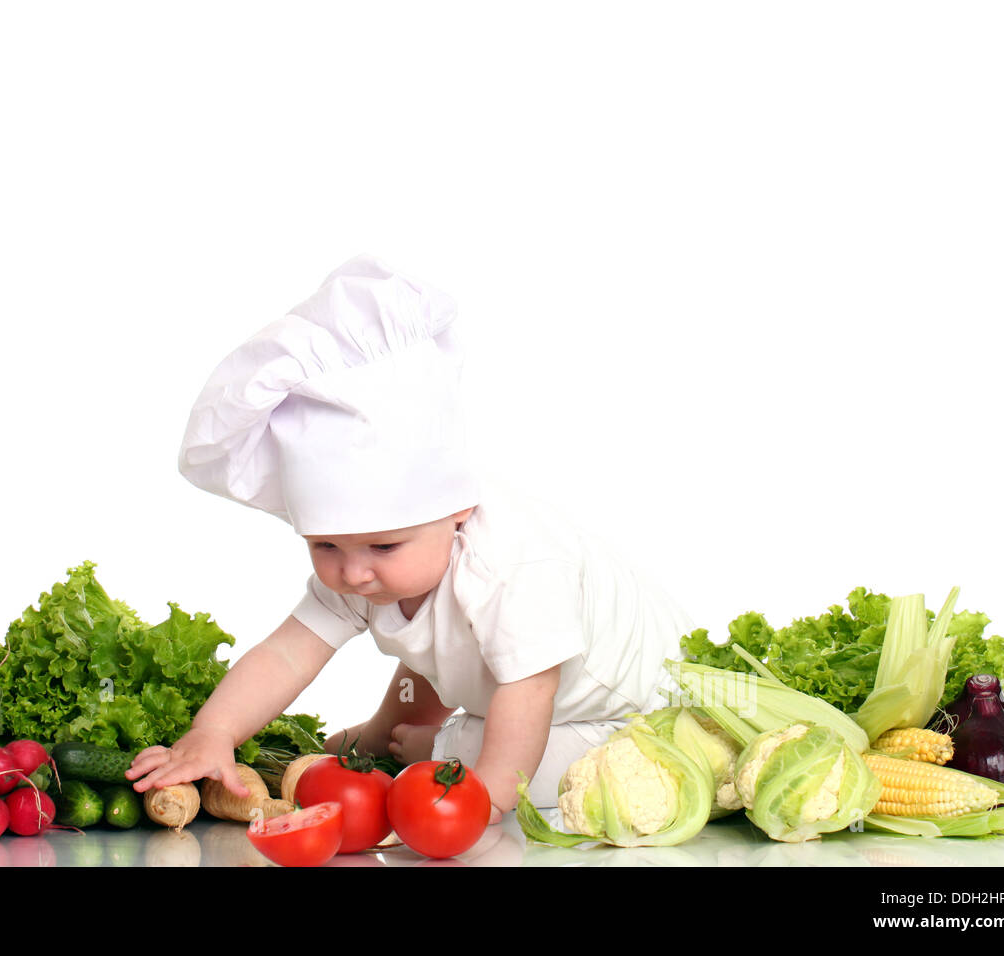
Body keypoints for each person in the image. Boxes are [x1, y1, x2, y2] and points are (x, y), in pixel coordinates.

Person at [126, 255, 694, 823]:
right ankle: (395, 733)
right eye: (325, 546)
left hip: (632, 709)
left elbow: (529, 692)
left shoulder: (513, 567)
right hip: (505, 680)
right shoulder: (375, 554)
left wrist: (484, 801)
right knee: (434, 632)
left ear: (457, 510)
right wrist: (212, 731)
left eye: (382, 547)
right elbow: (286, 652)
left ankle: (431, 745)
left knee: (526, 765)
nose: (353, 573)